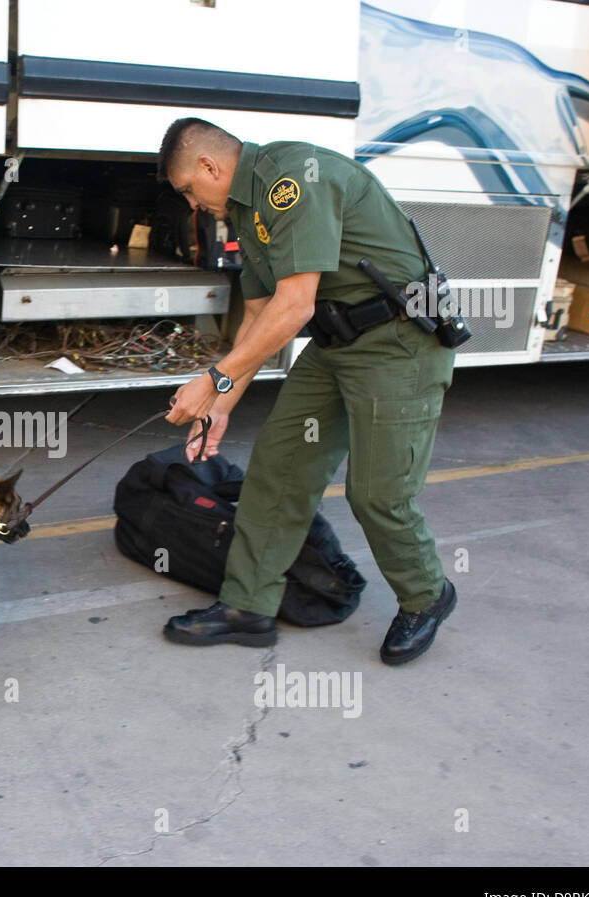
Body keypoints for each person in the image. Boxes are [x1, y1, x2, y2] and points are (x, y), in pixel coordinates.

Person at [158, 118, 457, 665]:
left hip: (399, 344)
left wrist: (211, 380)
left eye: (189, 192)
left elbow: (294, 306)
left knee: (378, 494)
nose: (193, 206)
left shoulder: (293, 179)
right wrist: (220, 405)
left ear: (209, 167)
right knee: (278, 471)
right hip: (337, 345)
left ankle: (427, 595)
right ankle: (247, 607)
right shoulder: (247, 212)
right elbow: (257, 316)